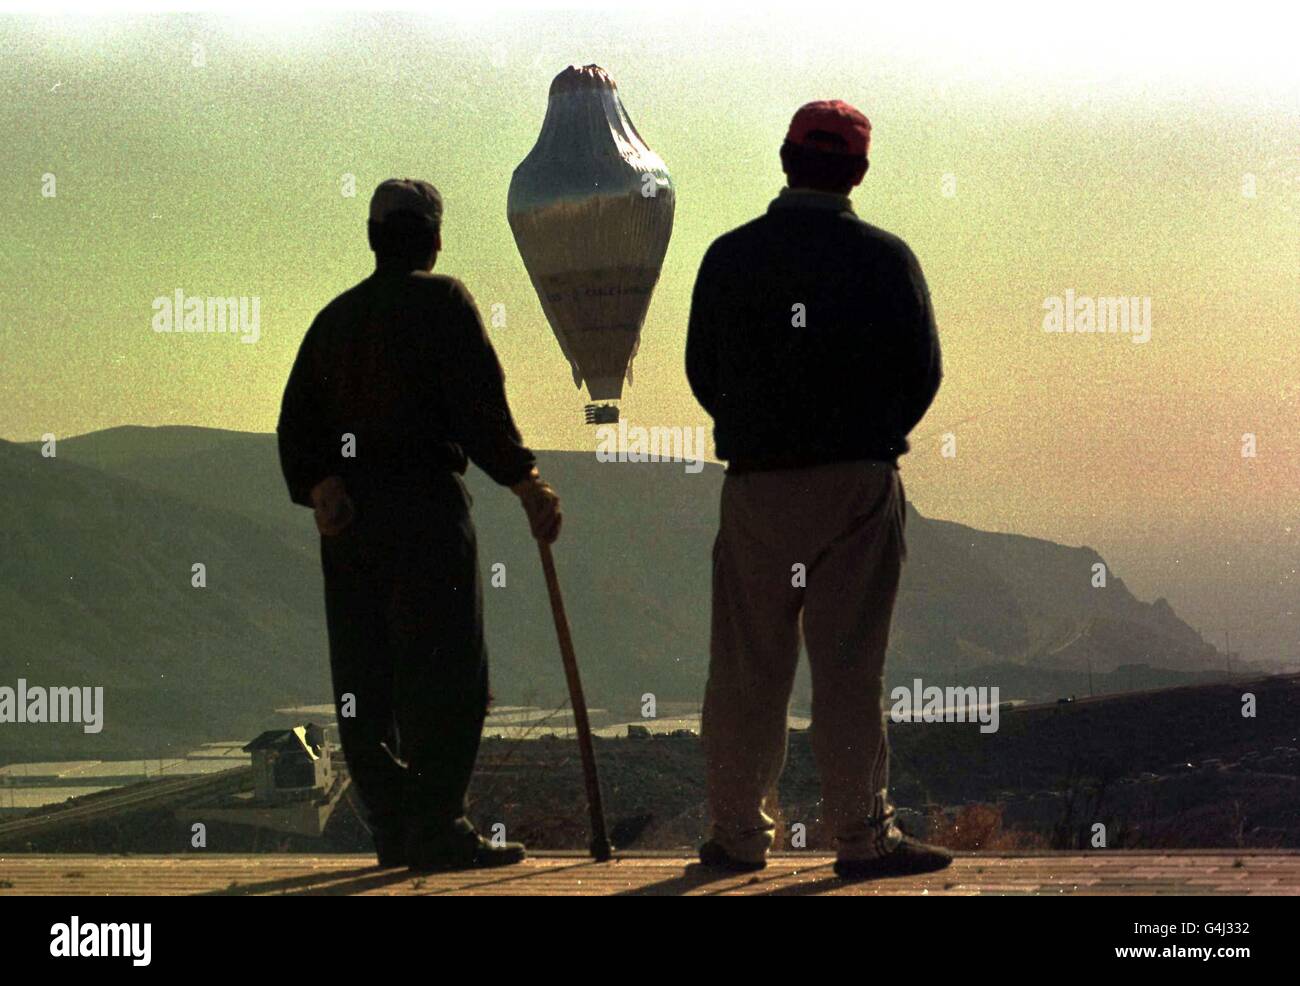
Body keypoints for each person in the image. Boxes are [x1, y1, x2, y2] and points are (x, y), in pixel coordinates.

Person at [686, 101, 950, 879]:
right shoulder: (886, 259)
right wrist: (869, 435)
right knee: (848, 666)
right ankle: (862, 838)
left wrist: (758, 430)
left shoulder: (730, 257)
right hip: (857, 485)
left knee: (746, 669)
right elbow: (923, 371)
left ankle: (737, 836)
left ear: (783, 157)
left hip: (759, 484)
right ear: (859, 172)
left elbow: (704, 371)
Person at [277, 178, 561, 871]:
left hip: (348, 523)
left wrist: (320, 487)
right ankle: (435, 825)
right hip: (427, 511)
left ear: (373, 238)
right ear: (434, 238)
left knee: (364, 676)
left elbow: (294, 427)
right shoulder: (443, 302)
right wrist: (523, 480)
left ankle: (395, 827)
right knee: (447, 671)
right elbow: (478, 408)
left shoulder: (333, 320)